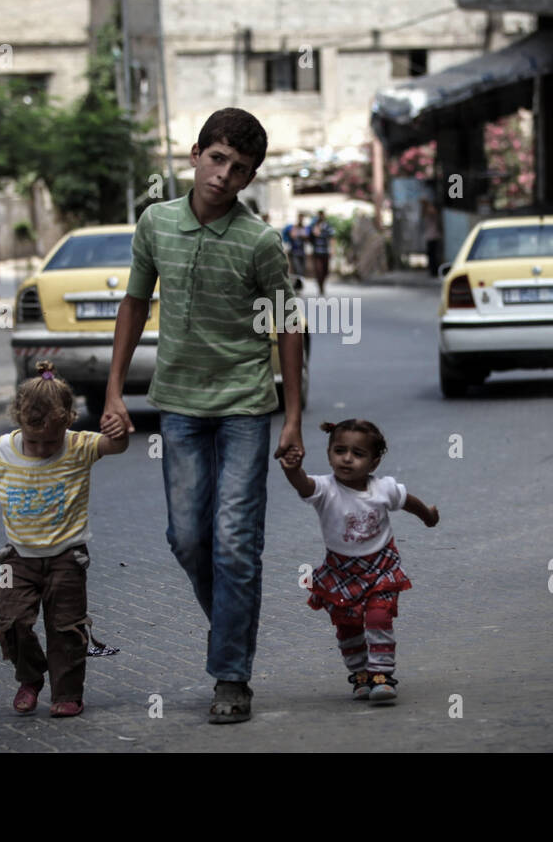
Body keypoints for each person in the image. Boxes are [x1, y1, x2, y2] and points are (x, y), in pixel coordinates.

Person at [101, 107, 304, 725]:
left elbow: (288, 327)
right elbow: (134, 305)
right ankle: (234, 632)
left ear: (250, 179)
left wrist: (292, 415)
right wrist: (113, 391)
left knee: (236, 543)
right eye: (217, 159)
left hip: (245, 406)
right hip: (180, 406)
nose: (223, 176)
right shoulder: (156, 224)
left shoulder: (261, 242)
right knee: (188, 538)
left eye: (239, 169)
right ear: (195, 154)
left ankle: (231, 677)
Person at [0, 360, 129, 718]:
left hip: (68, 556)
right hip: (17, 558)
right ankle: (31, 677)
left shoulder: (78, 446)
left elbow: (116, 447)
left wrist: (120, 429)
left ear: (68, 420)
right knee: (11, 622)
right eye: (33, 440)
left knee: (66, 628)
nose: (40, 448)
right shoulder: (4, 449)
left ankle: (67, 694)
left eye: (50, 440)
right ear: (19, 421)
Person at [279, 419, 439, 703]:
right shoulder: (324, 489)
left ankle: (382, 675)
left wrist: (428, 515)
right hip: (341, 570)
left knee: (379, 616)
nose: (347, 459)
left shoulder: (383, 489)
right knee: (347, 626)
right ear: (329, 453)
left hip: (381, 567)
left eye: (358, 453)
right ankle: (360, 675)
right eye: (340, 451)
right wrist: (292, 469)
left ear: (374, 463)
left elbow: (409, 502)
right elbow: (302, 484)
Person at [310, 209, 334, 295]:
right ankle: (320, 287)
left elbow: (332, 237)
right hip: (317, 251)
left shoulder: (328, 226)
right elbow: (311, 235)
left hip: (325, 251)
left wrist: (332, 249)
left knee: (325, 270)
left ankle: (322, 284)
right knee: (318, 270)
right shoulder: (314, 225)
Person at [421, 197, 443, 277]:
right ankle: (432, 270)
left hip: (433, 236)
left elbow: (432, 213)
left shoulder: (430, 210)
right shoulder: (426, 211)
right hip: (430, 236)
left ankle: (434, 270)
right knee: (431, 254)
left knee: (433, 254)